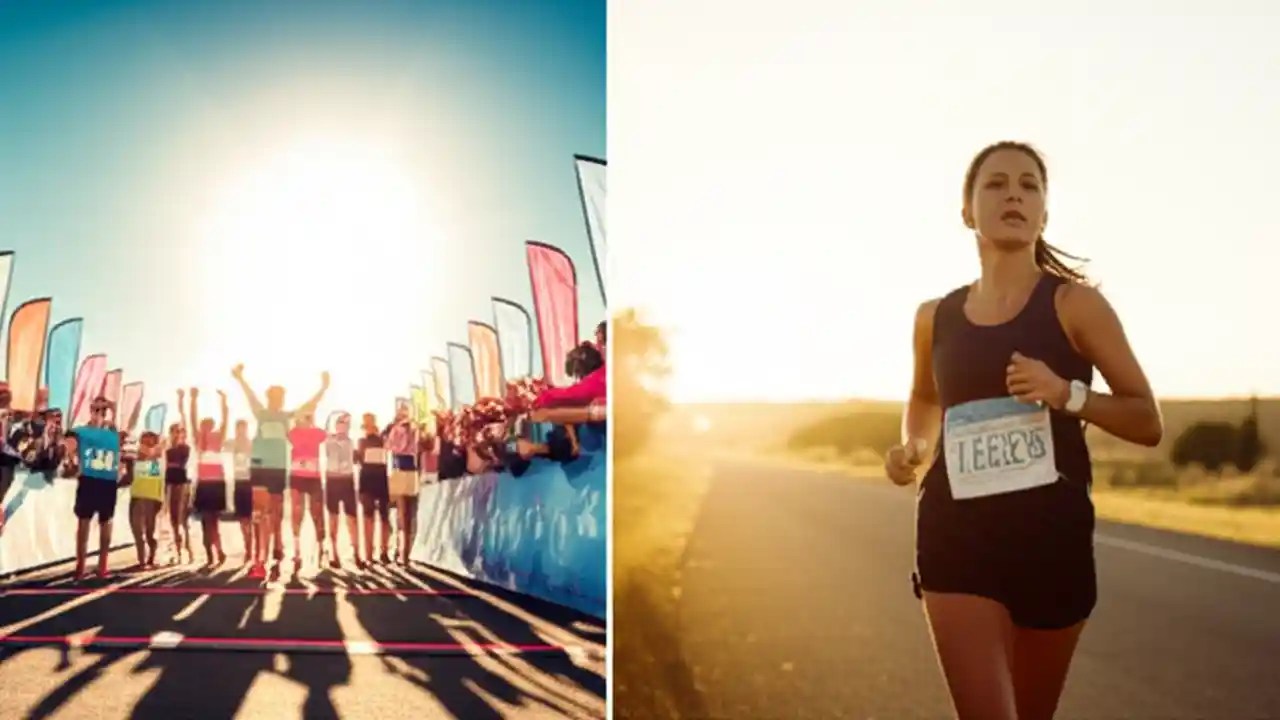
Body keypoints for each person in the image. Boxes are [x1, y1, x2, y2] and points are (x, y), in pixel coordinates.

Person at [882, 141, 1164, 720]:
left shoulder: (1075, 306)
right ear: (967, 211)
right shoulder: (934, 317)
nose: (1014, 194)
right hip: (955, 534)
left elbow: (1147, 421)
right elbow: (925, 397)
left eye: (1029, 185)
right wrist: (915, 446)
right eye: (996, 184)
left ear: (1043, 213)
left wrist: (1066, 394)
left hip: (1051, 543)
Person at [230, 364, 328, 580]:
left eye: (280, 398)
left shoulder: (286, 417)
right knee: (259, 514)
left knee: (275, 515)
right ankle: (259, 561)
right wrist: (240, 378)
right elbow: (250, 396)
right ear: (269, 398)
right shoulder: (261, 413)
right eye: (274, 397)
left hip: (278, 468)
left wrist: (323, 388)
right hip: (259, 467)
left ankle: (276, 553)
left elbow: (308, 406)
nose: (278, 401)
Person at [69, 396, 121, 580]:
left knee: (105, 522)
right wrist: (72, 459)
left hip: (107, 481)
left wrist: (112, 408)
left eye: (103, 410)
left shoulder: (113, 433)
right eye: (96, 410)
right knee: (84, 522)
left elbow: (119, 433)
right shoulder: (82, 431)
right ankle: (80, 566)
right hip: (89, 479)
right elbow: (69, 443)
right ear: (91, 411)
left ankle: (102, 565)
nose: (100, 413)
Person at [190, 388, 229, 568]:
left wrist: (223, 402)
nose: (206, 427)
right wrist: (193, 399)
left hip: (217, 483)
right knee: (206, 521)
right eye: (204, 425)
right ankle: (210, 554)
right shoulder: (199, 439)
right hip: (204, 484)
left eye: (209, 425)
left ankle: (218, 551)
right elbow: (192, 418)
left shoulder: (217, 437)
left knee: (214, 520)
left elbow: (225, 420)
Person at [287, 412, 328, 566]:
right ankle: (297, 551)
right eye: (302, 418)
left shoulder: (316, 432)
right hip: (297, 477)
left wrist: (312, 422)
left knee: (317, 513)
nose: (304, 421)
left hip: (314, 477)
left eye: (307, 418)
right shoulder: (294, 432)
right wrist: (298, 420)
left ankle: (321, 548)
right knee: (297, 512)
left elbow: (324, 435)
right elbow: (288, 433)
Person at [323, 412, 361, 569]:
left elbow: (355, 459)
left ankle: (357, 553)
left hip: (347, 480)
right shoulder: (328, 440)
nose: (344, 426)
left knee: (352, 518)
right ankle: (334, 553)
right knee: (333, 518)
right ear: (336, 425)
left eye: (346, 424)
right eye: (341, 423)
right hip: (332, 480)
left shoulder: (352, 442)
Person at [385, 405, 419, 564]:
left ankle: (403, 551)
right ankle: (401, 550)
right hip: (404, 470)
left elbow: (393, 447)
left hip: (406, 470)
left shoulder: (409, 429)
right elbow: (393, 447)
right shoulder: (405, 430)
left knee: (406, 514)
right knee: (404, 513)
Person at [356, 413, 391, 564]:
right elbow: (358, 459)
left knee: (383, 518)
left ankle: (383, 551)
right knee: (369, 517)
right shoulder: (362, 441)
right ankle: (369, 554)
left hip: (380, 480)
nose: (368, 428)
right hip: (367, 481)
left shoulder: (382, 440)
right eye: (366, 425)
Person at [129, 430, 165, 569]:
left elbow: (156, 475)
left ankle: (150, 557)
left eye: (149, 442)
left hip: (151, 499)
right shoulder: (137, 458)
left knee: (149, 532)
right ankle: (142, 561)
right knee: (138, 531)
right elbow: (132, 476)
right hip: (138, 496)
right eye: (143, 442)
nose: (145, 445)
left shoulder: (156, 458)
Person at [165, 390, 193, 564]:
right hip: (169, 482)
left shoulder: (184, 447)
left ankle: (188, 549)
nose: (177, 433)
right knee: (173, 518)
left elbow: (185, 421)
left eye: (179, 431)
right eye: (174, 431)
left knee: (182, 517)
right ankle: (178, 550)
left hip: (181, 483)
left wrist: (181, 401)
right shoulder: (167, 448)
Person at [225, 418, 255, 566]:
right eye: (238, 428)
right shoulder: (233, 443)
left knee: (250, 518)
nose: (240, 431)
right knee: (242, 519)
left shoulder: (251, 444)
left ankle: (251, 548)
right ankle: (247, 546)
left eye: (243, 428)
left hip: (249, 482)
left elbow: (257, 461)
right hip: (238, 482)